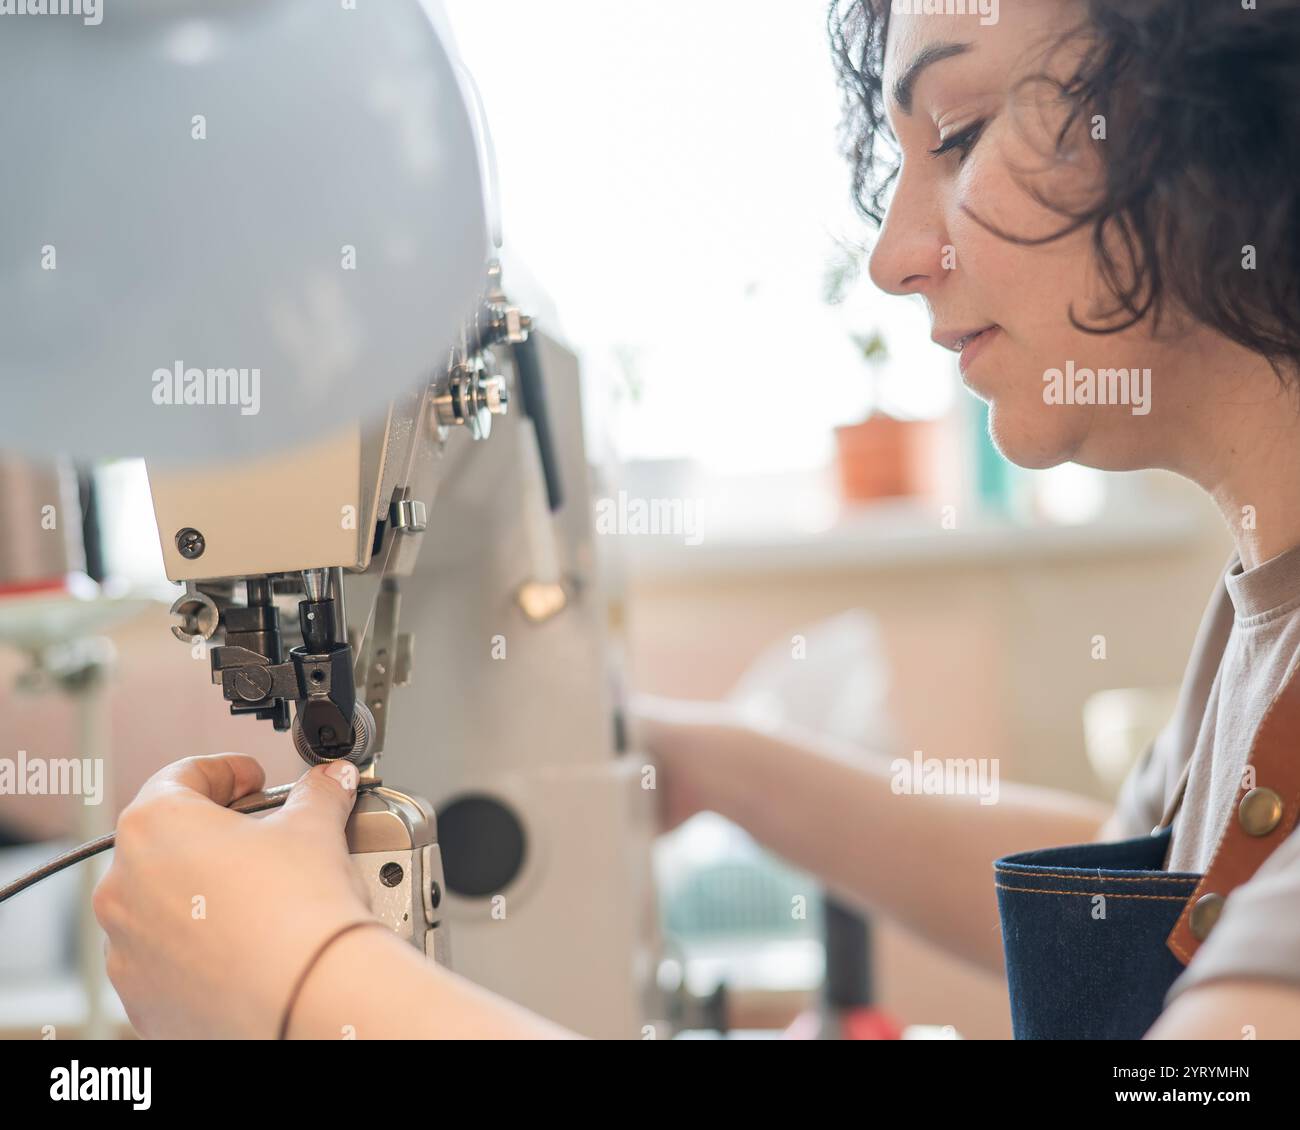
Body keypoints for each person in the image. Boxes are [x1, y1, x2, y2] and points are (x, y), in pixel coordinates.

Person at [95, 0, 1300, 1038]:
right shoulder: (1259, 620)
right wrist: (713, 763)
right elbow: (1170, 897)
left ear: (1226, 98)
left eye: (962, 132)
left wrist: (305, 984)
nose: (889, 255)